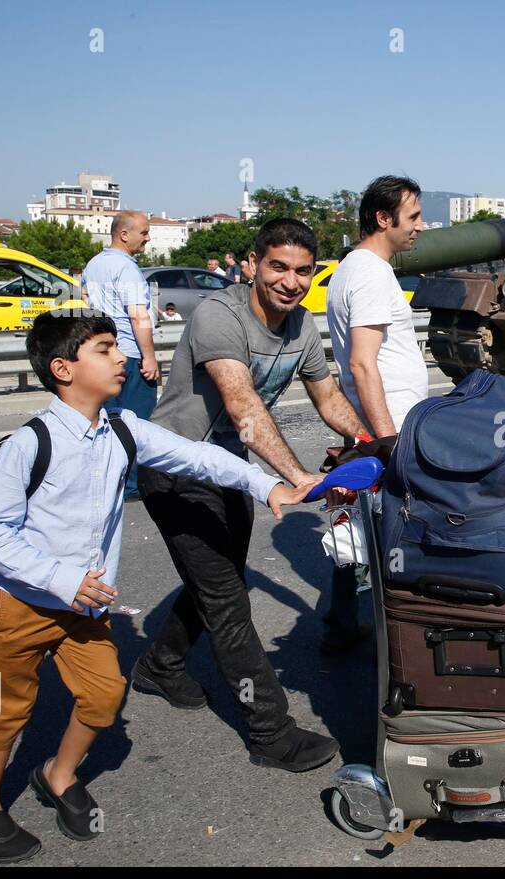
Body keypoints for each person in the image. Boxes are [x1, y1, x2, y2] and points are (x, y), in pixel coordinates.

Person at [0, 309, 314, 864]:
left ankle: (57, 774)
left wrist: (269, 487)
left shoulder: (121, 429)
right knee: (5, 710)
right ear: (63, 369)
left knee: (103, 697)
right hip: (16, 600)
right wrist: (63, 579)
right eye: (103, 349)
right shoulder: (30, 443)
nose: (122, 357)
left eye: (117, 346)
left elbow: (200, 457)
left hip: (81, 605)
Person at [133, 218, 369, 772]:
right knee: (227, 602)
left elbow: (328, 395)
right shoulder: (221, 314)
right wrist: (295, 476)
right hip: (176, 469)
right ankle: (270, 731)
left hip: (229, 472)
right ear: (252, 265)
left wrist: (370, 445)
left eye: (303, 271)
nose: (290, 281)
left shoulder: (301, 326)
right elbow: (243, 409)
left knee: (218, 581)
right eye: (278, 267)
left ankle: (160, 665)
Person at [323, 176, 429, 651]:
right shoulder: (369, 272)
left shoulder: (357, 267)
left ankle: (342, 626)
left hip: (377, 421)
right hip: (390, 424)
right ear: (384, 220)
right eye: (413, 218)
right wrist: (387, 441)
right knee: (393, 532)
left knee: (362, 526)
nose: (421, 228)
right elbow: (363, 363)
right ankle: (398, 652)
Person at [82, 210, 158, 500]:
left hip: (104, 353)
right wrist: (148, 357)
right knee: (137, 422)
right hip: (130, 354)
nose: (148, 238)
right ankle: (132, 484)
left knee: (107, 420)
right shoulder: (126, 268)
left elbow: (88, 302)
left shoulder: (94, 264)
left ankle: (106, 481)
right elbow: (138, 315)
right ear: (124, 234)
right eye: (144, 232)